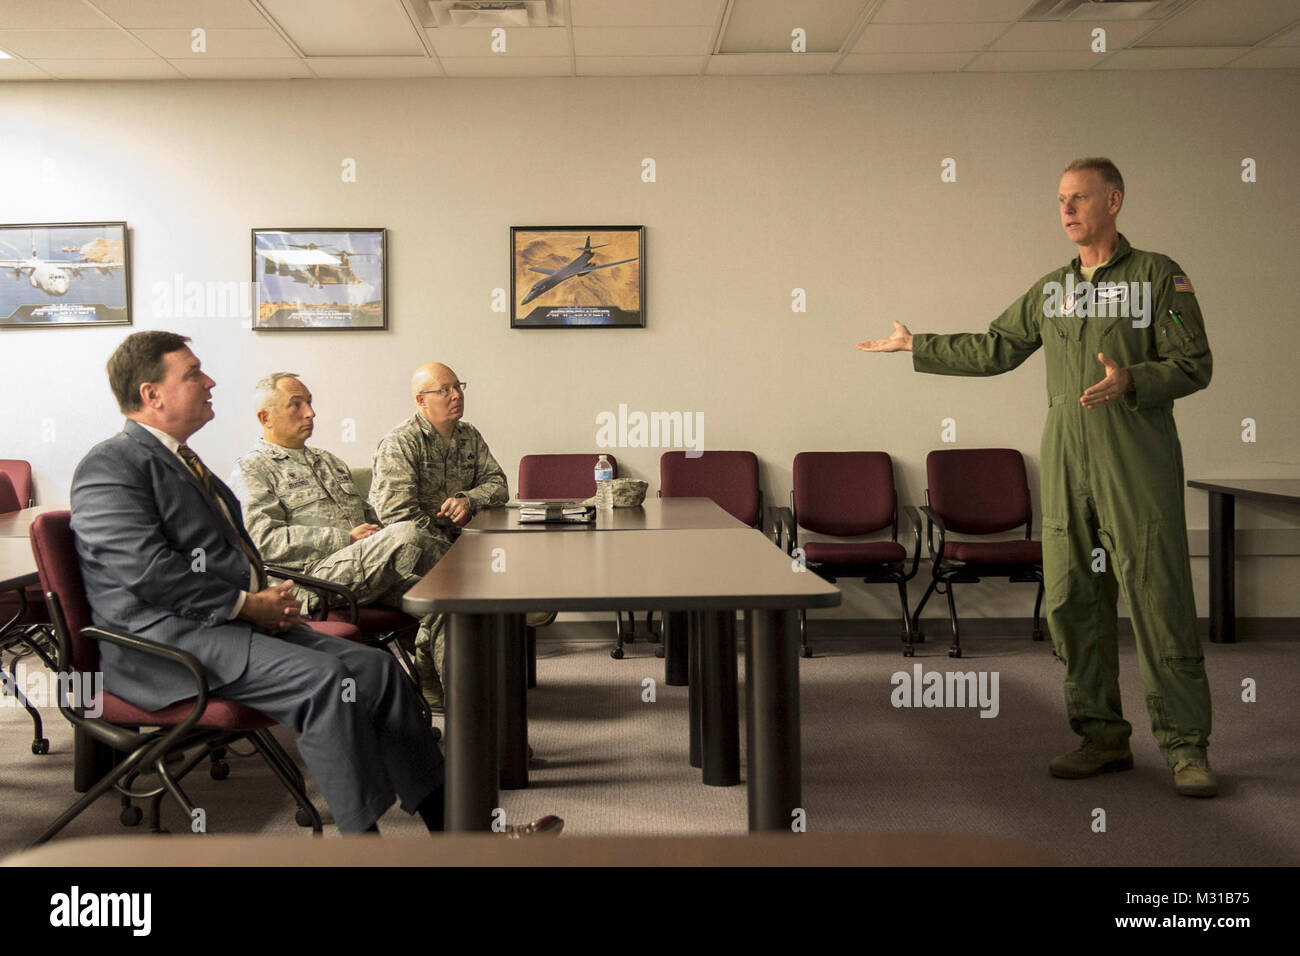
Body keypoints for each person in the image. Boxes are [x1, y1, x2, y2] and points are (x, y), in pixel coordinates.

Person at [71, 332, 559, 835]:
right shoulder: (111, 465)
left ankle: (461, 834)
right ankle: (362, 846)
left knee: (378, 672)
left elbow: (231, 556)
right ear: (152, 394)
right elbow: (145, 572)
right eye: (194, 373)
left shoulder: (190, 464)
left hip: (237, 625)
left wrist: (259, 599)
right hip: (165, 646)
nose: (210, 380)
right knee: (331, 684)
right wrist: (246, 603)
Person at [857, 158, 1217, 797]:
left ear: (1115, 199)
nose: (1068, 210)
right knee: (1073, 600)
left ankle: (1186, 747)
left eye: (1079, 198)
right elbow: (997, 348)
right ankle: (1101, 738)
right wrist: (918, 345)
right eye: (1060, 200)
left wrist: (1133, 379)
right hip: (1066, 462)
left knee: (1160, 599)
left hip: (1136, 462)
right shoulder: (1054, 289)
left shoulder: (1159, 275)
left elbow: (1193, 364)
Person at [227, 372, 445, 707]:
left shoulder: (329, 461)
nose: (310, 413)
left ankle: (451, 699)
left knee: (449, 600)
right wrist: (342, 538)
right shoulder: (252, 469)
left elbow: (371, 518)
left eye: (310, 402)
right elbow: (262, 541)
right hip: (311, 582)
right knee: (409, 535)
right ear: (264, 417)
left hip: (365, 570)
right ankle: (479, 578)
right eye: (296, 405)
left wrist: (377, 536)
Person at [369, 364, 512, 697]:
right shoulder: (400, 443)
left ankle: (456, 677)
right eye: (444, 390)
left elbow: (498, 485)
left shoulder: (469, 436)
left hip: (462, 549)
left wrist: (468, 498)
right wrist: (447, 556)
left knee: (507, 579)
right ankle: (462, 697)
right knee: (458, 594)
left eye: (458, 387)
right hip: (413, 557)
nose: (456, 395)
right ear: (421, 400)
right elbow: (396, 517)